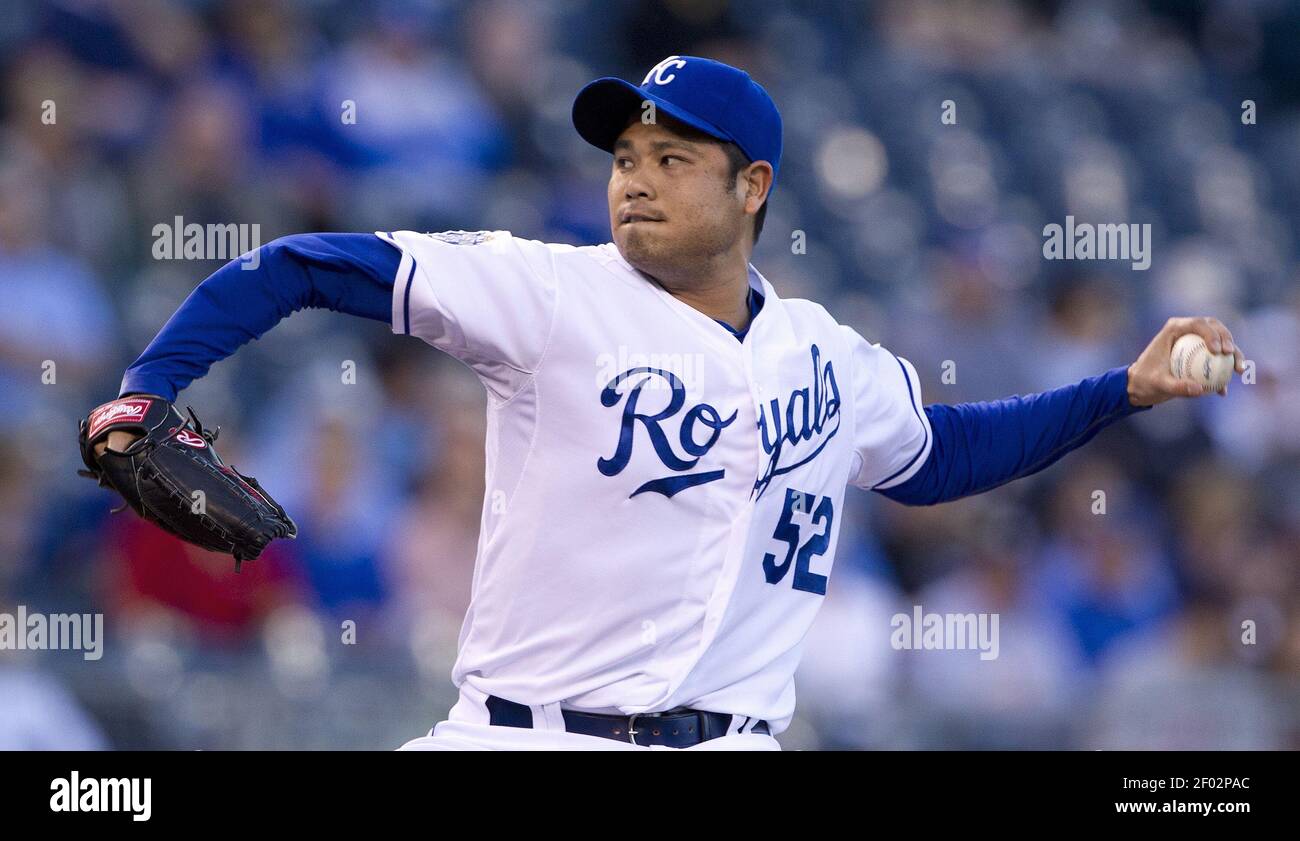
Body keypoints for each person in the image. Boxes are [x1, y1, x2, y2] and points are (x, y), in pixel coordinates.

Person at [82, 55, 1245, 751]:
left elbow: (937, 453)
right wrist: (146, 392)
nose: (633, 174)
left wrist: (1122, 391)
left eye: (671, 156)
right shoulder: (545, 293)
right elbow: (297, 265)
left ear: (752, 187)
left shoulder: (826, 355)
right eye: (624, 152)